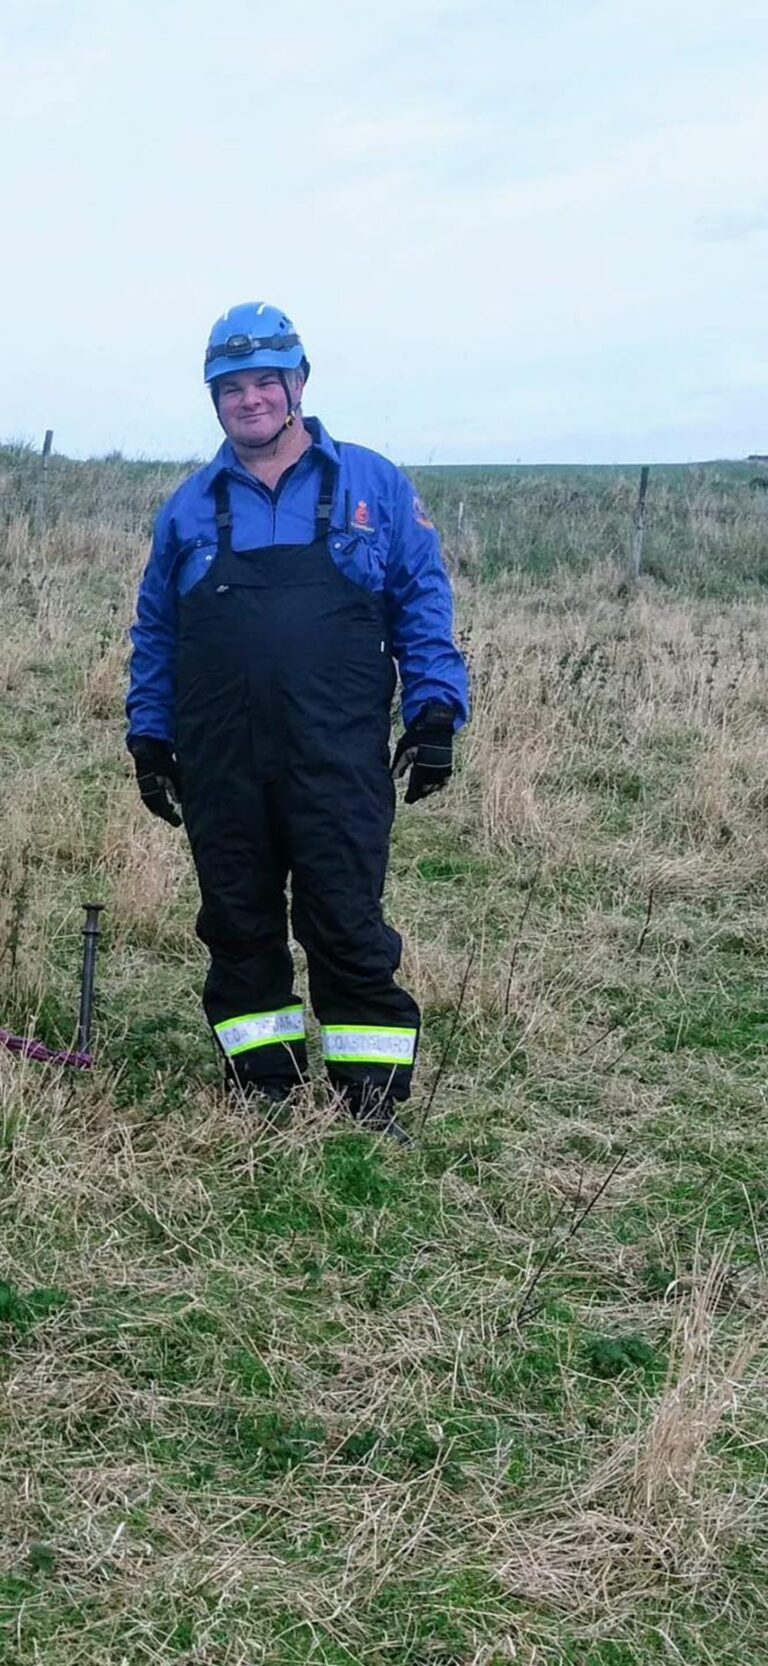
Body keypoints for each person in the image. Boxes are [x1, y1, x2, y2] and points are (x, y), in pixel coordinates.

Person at [126, 302, 469, 1142]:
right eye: (230, 388)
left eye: (264, 383)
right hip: (220, 760)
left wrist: (433, 710)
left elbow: (422, 596)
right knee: (237, 923)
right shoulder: (188, 507)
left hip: (334, 757)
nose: (249, 401)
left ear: (299, 384)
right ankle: (264, 1094)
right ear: (215, 401)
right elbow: (157, 631)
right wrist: (149, 734)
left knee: (345, 921)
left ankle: (371, 1106)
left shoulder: (371, 485)